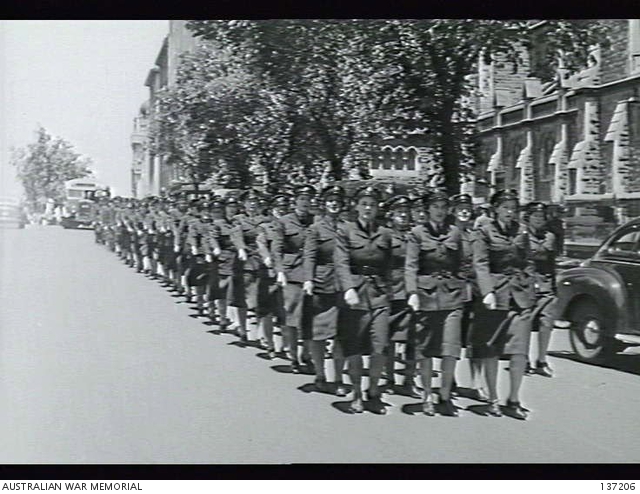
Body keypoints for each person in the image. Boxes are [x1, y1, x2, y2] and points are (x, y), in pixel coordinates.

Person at [470, 189, 536, 420]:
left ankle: (514, 399)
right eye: (506, 207)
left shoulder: (522, 231)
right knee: (492, 349)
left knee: (519, 351)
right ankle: (493, 399)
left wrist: (531, 285)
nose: (510, 212)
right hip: (494, 297)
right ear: (496, 208)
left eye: (513, 208)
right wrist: (486, 291)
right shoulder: (483, 232)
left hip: (520, 296)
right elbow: (480, 264)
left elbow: (528, 261)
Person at [334, 185, 393, 414]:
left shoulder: (385, 233)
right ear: (356, 207)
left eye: (372, 204)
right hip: (355, 295)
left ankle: (374, 389)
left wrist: (389, 291)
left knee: (380, 345)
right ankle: (357, 392)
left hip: (378, 295)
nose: (368, 208)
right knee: (355, 346)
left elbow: (388, 265)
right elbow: (341, 263)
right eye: (364, 204)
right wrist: (348, 288)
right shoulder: (345, 231)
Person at [406, 189, 464, 417]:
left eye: (443, 208)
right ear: (427, 209)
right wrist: (412, 292)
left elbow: (462, 264)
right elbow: (410, 266)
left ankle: (445, 395)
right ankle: (427, 395)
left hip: (452, 298)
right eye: (435, 207)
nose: (440, 212)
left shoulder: (455, 233)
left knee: (451, 350)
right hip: (425, 297)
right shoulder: (417, 234)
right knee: (426, 350)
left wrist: (461, 286)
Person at [302, 185, 348, 395]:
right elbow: (309, 256)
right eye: (330, 199)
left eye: (337, 200)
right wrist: (308, 279)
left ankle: (338, 378)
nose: (333, 203)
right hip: (321, 284)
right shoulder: (315, 229)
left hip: (343, 286)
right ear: (324, 203)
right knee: (318, 334)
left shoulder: (349, 227)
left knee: (340, 334)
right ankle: (320, 375)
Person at [272, 185, 317, 373]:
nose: (305, 203)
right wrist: (280, 270)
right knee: (291, 317)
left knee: (311, 316)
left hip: (314, 273)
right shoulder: (284, 222)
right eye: (302, 199)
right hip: (292, 273)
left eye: (308, 199)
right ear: (295, 201)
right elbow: (276, 248)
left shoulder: (317, 220)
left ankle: (306, 353)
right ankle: (293, 356)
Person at [451, 193, 488, 402]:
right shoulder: (449, 234)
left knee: (477, 339)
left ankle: (477, 384)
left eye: (467, 208)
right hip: (454, 291)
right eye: (459, 208)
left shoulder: (479, 235)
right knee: (454, 338)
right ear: (453, 211)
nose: (464, 211)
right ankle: (452, 381)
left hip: (476, 291)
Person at [383, 195, 420, 398]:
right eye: (399, 213)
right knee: (388, 338)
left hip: (413, 292)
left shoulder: (416, 234)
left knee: (413, 338)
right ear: (391, 215)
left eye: (406, 212)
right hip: (392, 290)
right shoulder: (386, 236)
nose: (404, 216)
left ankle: (409, 380)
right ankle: (388, 379)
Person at [230, 190, 268, 343]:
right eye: (249, 201)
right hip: (244, 262)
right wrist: (241, 249)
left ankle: (260, 332)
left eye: (255, 201)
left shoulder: (266, 220)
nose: (253, 203)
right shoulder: (237, 220)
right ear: (243, 204)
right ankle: (243, 328)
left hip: (263, 262)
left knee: (262, 297)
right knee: (243, 298)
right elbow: (236, 235)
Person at [255, 194, 290, 359]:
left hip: (289, 272)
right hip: (269, 274)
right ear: (272, 209)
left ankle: (284, 346)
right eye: (278, 208)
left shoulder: (291, 225)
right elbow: (261, 243)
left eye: (284, 208)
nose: (281, 211)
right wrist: (267, 257)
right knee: (267, 311)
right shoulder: (265, 226)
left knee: (285, 311)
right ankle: (270, 344)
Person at [525, 202, 557, 377]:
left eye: (541, 217)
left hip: (546, 285)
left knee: (546, 323)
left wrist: (554, 284)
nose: (538, 219)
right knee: (525, 324)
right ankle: (523, 359)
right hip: (526, 285)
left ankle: (541, 360)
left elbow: (552, 262)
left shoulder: (550, 237)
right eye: (535, 216)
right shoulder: (521, 236)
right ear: (528, 217)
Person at [207, 196, 240, 329]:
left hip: (242, 260)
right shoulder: (217, 224)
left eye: (234, 207)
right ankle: (223, 317)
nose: (232, 210)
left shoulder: (241, 221)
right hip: (225, 259)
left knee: (238, 290)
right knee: (224, 289)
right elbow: (212, 237)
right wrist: (216, 248)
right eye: (229, 207)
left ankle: (236, 319)